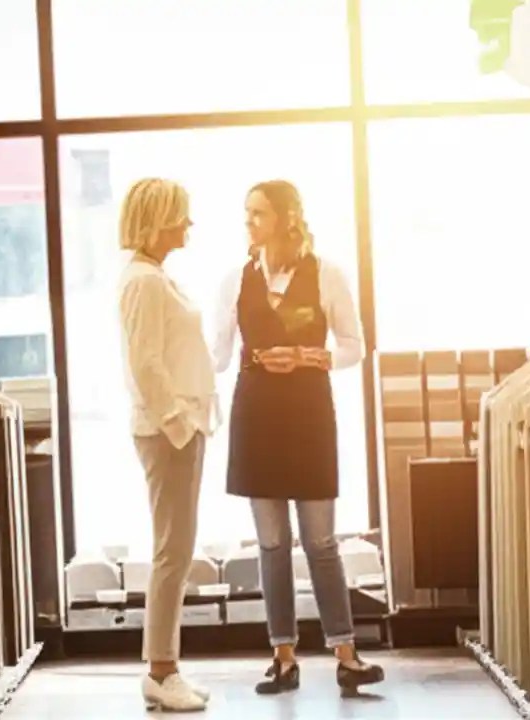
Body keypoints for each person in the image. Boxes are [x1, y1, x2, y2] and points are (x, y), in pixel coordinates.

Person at [210, 180, 384, 697]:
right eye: (246, 213)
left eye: (258, 213)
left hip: (309, 412)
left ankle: (346, 654)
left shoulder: (326, 273)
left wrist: (313, 356)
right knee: (271, 542)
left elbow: (355, 346)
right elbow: (217, 353)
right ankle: (282, 656)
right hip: (256, 413)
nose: (249, 222)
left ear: (287, 218)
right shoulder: (234, 279)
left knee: (320, 540)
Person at [117, 177, 217, 712]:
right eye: (181, 215)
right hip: (167, 432)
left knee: (176, 551)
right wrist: (179, 423)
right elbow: (145, 362)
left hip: (179, 428)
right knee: (171, 552)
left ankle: (166, 666)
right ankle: (160, 670)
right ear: (157, 220)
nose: (188, 224)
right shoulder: (144, 282)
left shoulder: (155, 277)